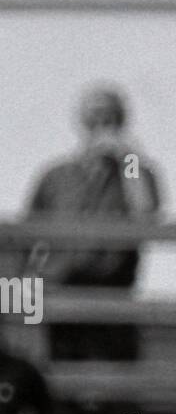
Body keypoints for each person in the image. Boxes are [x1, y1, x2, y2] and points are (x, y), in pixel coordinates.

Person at [24, 85, 162, 362]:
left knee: (115, 381)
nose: (101, 127)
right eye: (93, 119)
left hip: (114, 294)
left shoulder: (133, 171)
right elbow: (25, 237)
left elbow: (145, 212)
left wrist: (128, 157)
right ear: (81, 123)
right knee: (62, 374)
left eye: (109, 118)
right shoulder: (57, 176)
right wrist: (21, 300)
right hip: (61, 290)